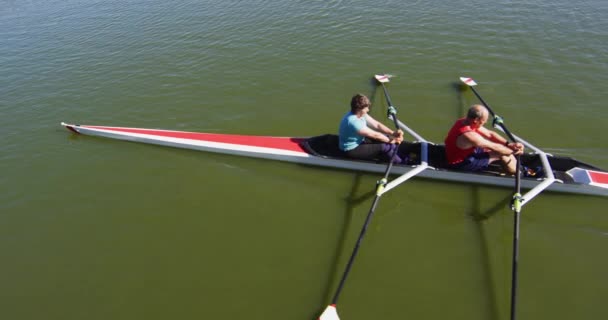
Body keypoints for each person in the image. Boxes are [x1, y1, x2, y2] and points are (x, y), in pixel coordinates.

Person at [444, 104, 524, 174]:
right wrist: (514, 152)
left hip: (465, 153)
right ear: (475, 120)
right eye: (483, 121)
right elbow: (495, 147)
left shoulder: (464, 121)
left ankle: (517, 166)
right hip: (460, 164)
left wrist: (508, 144)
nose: (485, 122)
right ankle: (518, 173)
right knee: (502, 153)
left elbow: (490, 134)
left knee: (503, 149)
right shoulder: (470, 136)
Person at [339, 93, 404, 163]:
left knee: (387, 139)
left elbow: (377, 125)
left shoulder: (361, 114)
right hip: (351, 150)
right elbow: (376, 135)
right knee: (384, 147)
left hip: (360, 141)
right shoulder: (353, 122)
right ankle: (401, 163)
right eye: (366, 108)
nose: (368, 110)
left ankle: (397, 153)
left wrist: (393, 133)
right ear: (360, 109)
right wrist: (392, 141)